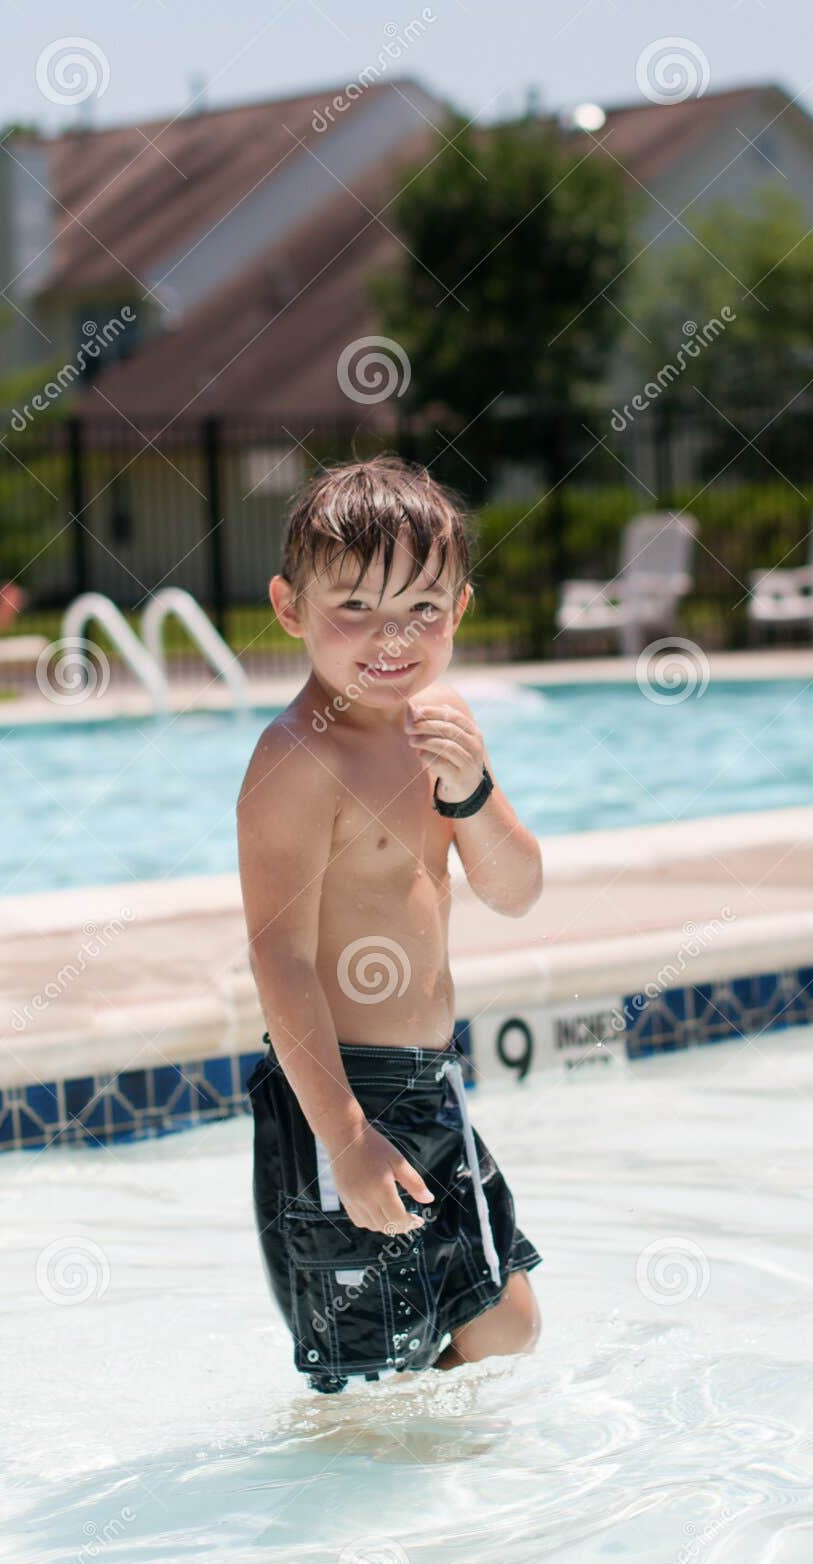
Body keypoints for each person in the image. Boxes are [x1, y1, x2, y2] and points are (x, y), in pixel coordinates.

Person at [237, 455, 543, 1393]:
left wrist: (473, 791)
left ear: (459, 609)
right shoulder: (297, 760)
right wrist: (344, 1138)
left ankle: (437, 1466)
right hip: (344, 1091)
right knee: (371, 1379)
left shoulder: (436, 726)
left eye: (421, 607)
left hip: (433, 1084)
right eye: (356, 607)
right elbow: (281, 963)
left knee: (504, 1323)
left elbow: (515, 890)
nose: (391, 636)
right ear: (290, 608)